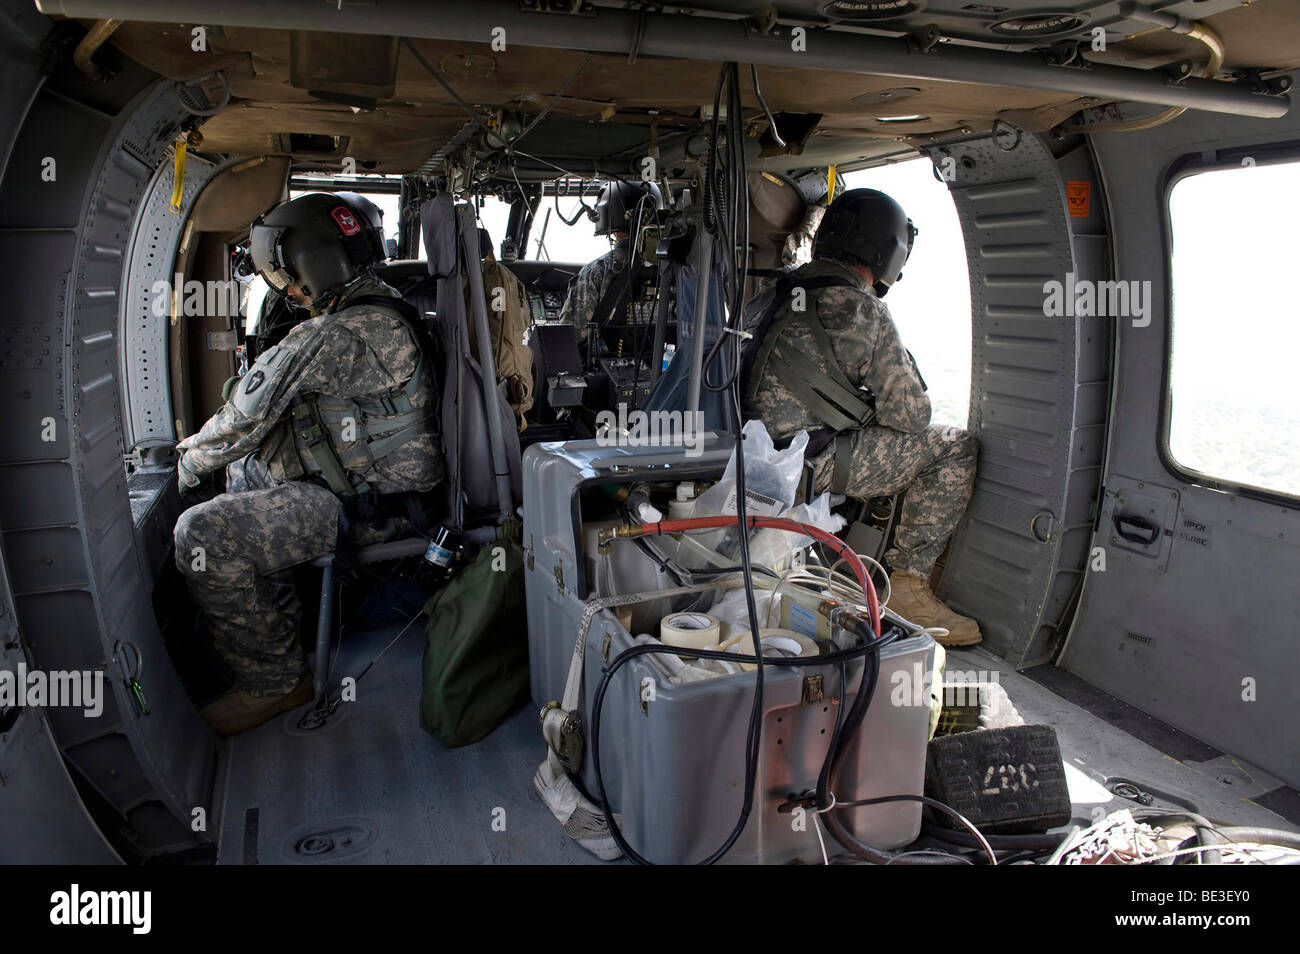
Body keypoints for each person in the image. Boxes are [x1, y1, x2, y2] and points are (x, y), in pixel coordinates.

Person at [173, 192, 444, 734]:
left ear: (306, 264)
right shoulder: (386, 309)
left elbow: (244, 417)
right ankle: (277, 635)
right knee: (244, 478)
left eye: (287, 276)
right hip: (381, 492)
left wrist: (183, 464)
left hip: (371, 509)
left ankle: (274, 681)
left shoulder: (335, 333)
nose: (290, 291)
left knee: (200, 533)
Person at [742, 188, 982, 645]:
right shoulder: (860, 308)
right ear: (887, 252)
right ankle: (908, 584)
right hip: (804, 465)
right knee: (955, 446)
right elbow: (911, 416)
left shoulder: (771, 292)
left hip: (744, 455)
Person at [558, 180, 663, 358]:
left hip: (605, 372)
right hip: (665, 367)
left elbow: (571, 337)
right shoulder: (675, 267)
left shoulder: (596, 271)